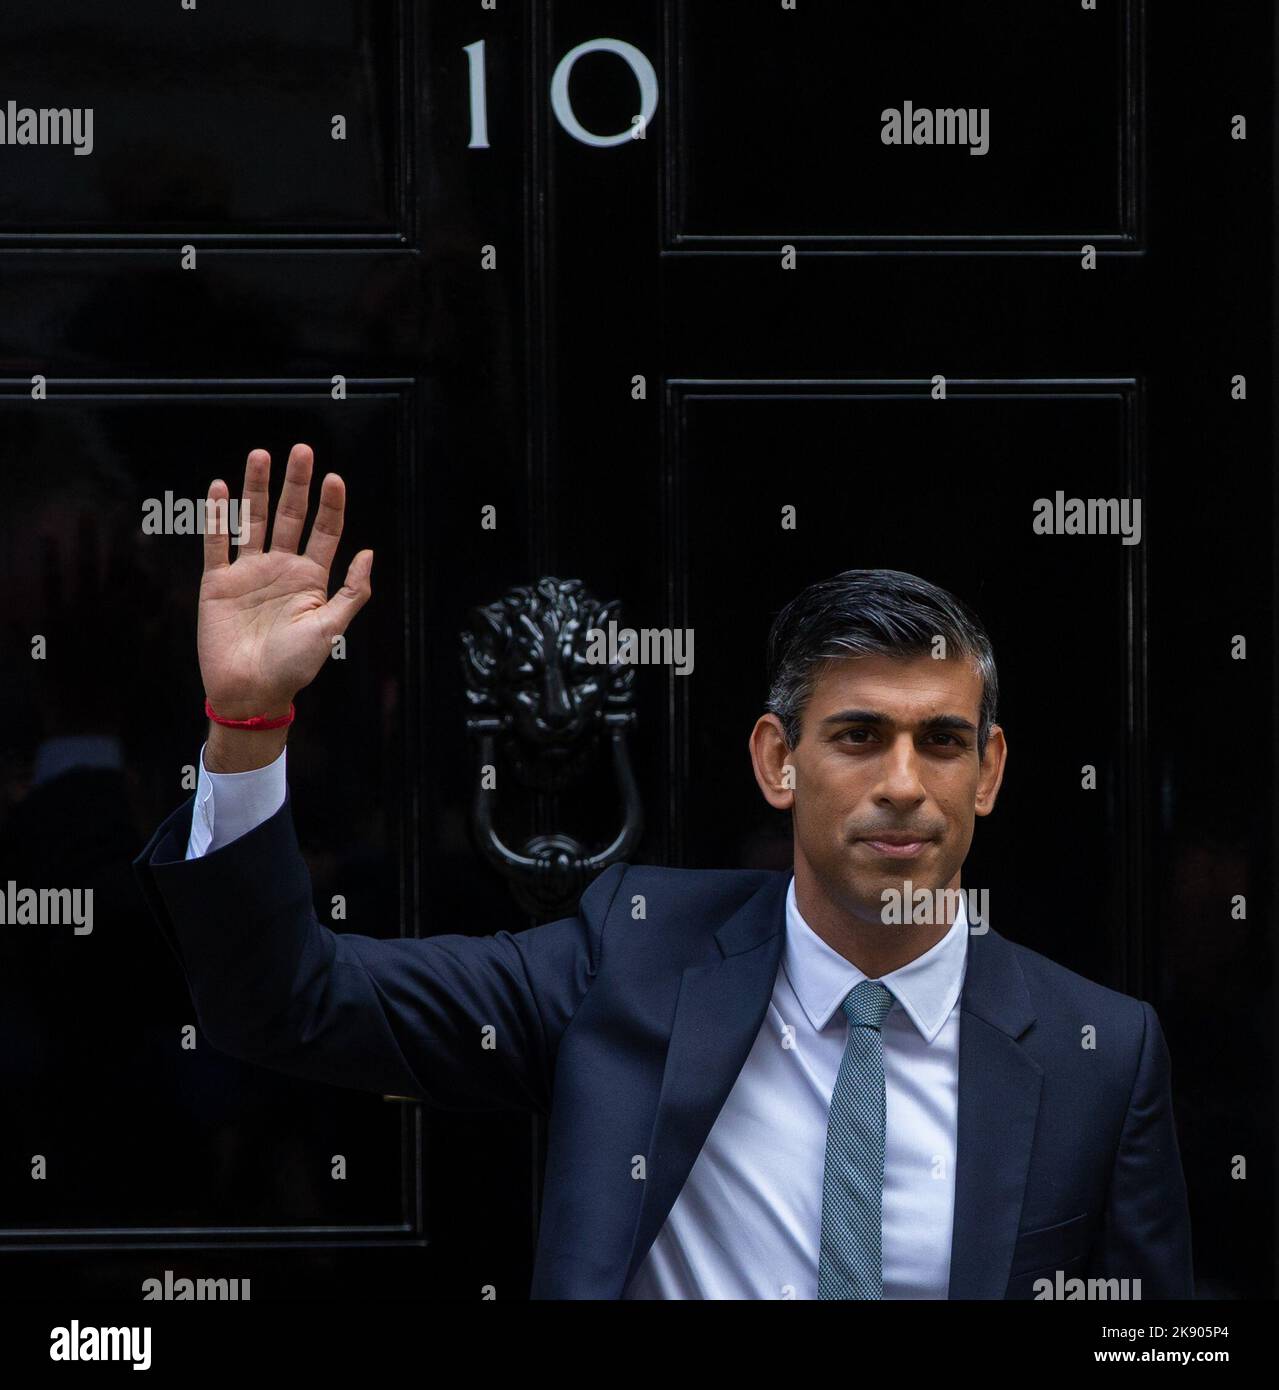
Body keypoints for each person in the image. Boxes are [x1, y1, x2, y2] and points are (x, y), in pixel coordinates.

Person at [133, 443, 1194, 1300]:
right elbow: (287, 1001)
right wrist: (246, 727)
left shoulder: (1098, 1051)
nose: (904, 784)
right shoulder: (631, 956)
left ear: (990, 771)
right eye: (859, 737)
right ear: (779, 761)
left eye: (943, 742)